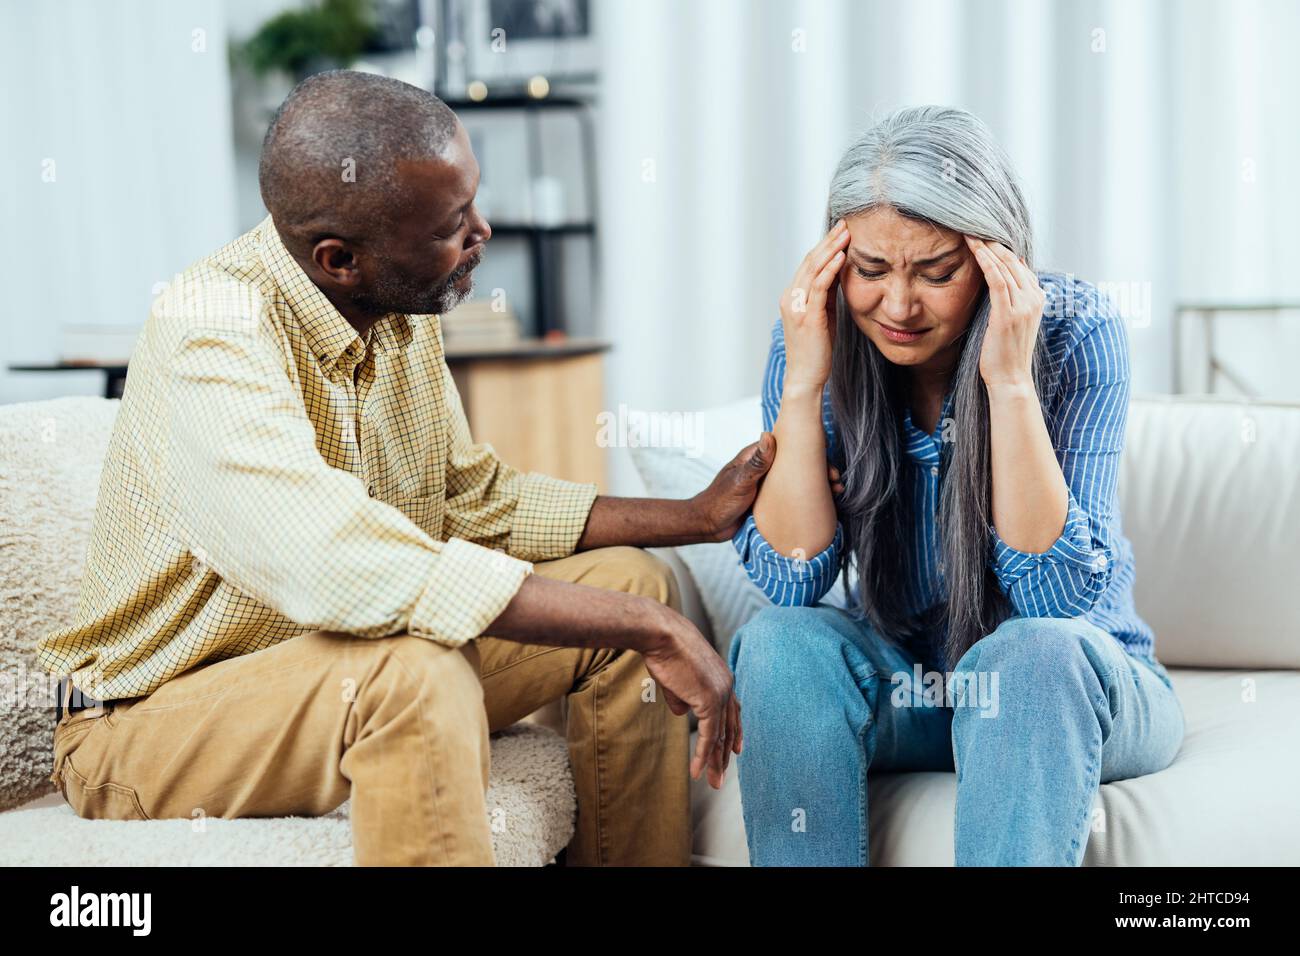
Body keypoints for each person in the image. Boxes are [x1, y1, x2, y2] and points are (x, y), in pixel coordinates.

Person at [37, 70, 764, 867]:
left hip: (325, 671)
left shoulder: (394, 307)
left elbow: (467, 500)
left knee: (631, 584)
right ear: (339, 259)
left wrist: (695, 518)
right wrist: (650, 629)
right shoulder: (207, 329)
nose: (482, 232)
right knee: (416, 673)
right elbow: (334, 560)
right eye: (453, 225)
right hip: (144, 726)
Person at [727, 105, 1185, 866]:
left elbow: (1054, 597)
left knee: (1033, 653)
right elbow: (789, 576)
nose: (899, 305)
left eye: (937, 273)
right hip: (911, 687)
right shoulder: (817, 332)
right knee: (777, 644)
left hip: (1068, 684)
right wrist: (804, 385)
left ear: (993, 256)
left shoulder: (1076, 331)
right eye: (871, 271)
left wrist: (1009, 383)